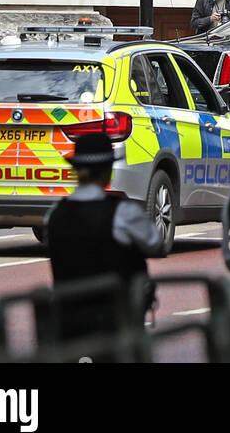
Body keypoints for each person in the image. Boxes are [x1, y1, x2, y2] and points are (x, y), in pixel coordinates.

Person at [43, 133, 163, 358]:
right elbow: (155, 243)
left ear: (76, 171)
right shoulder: (121, 213)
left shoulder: (55, 215)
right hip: (116, 321)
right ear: (108, 170)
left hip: (67, 320)